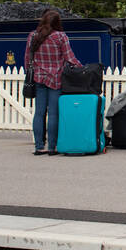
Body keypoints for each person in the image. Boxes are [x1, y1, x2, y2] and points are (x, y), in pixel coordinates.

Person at [24, 9, 80, 156]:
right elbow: (70, 58)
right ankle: (52, 147)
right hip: (55, 78)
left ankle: (39, 146)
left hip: (38, 78)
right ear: (57, 23)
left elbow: (27, 59)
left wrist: (32, 72)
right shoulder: (60, 37)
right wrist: (82, 67)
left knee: (39, 113)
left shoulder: (33, 36)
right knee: (54, 114)